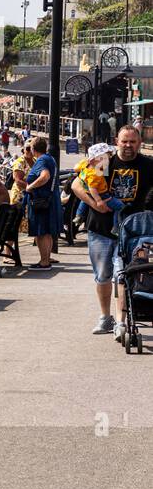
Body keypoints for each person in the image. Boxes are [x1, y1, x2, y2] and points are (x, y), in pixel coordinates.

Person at [72, 125, 153, 334]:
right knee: (102, 275)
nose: (128, 146)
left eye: (132, 142)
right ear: (117, 141)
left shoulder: (147, 165)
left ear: (139, 143)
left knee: (124, 274)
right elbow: (76, 186)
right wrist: (94, 203)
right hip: (101, 227)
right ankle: (105, 317)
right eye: (124, 141)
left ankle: (121, 321)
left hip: (133, 231)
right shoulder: (104, 162)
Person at [23, 136, 62, 270]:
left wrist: (30, 186)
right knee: (47, 232)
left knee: (41, 232)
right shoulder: (49, 158)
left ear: (34, 149)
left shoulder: (42, 160)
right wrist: (29, 159)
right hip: (50, 200)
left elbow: (45, 176)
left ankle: (44, 262)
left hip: (41, 201)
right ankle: (47, 257)